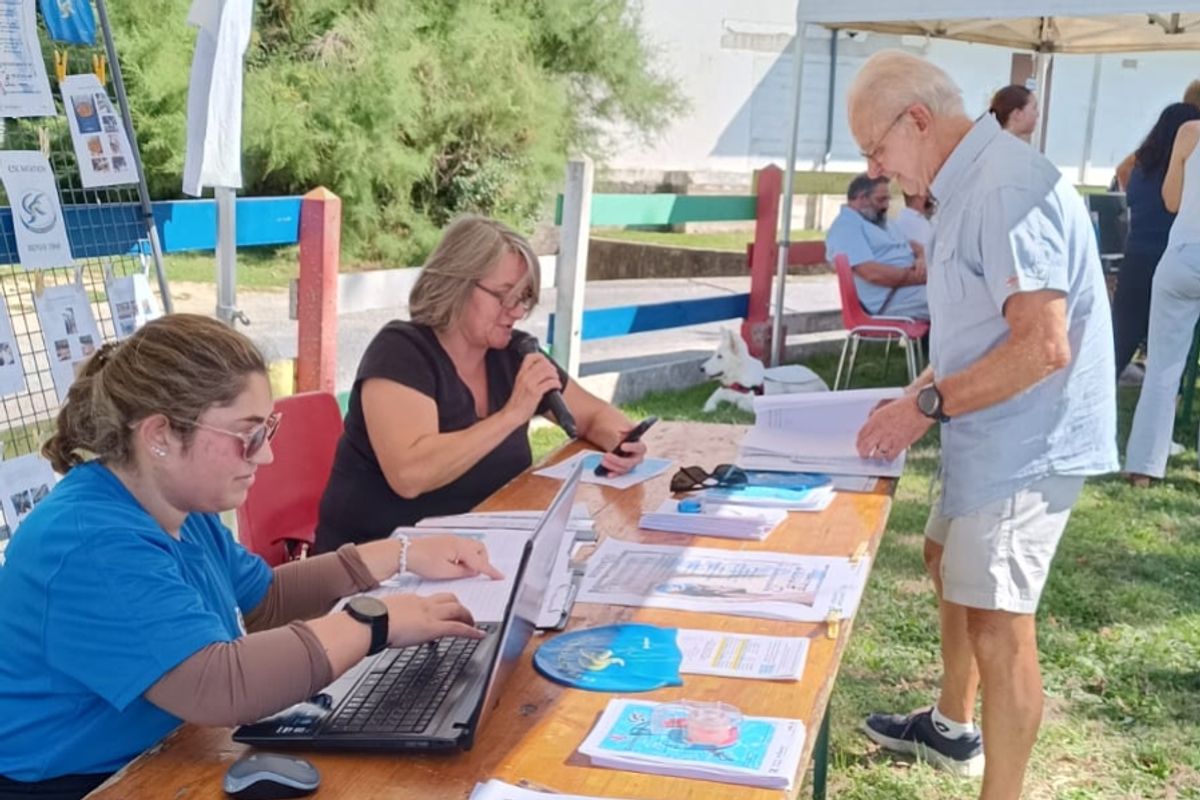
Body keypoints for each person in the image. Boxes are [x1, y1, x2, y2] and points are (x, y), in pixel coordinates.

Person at [0, 315, 501, 800]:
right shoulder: (93, 544)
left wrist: (402, 553)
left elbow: (264, 599)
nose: (265, 456)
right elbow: (220, 685)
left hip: (158, 755)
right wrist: (375, 622)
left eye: (268, 430)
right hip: (78, 785)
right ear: (159, 436)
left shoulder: (174, 505)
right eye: (248, 436)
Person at [849, 51, 1117, 800]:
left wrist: (925, 408)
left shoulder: (1001, 187)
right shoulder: (969, 182)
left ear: (919, 121)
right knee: (942, 560)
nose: (876, 169)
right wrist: (919, 391)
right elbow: (984, 329)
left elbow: (1041, 344)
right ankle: (951, 722)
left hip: (1027, 440)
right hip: (986, 422)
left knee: (1001, 625)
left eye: (876, 148)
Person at [315, 216, 647, 553]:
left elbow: (593, 415)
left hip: (477, 551)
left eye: (524, 298)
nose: (516, 311)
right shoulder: (401, 351)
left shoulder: (512, 353)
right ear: (456, 285)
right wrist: (512, 414)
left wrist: (622, 443)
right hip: (376, 564)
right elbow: (410, 475)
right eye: (504, 296)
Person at [1125, 117, 1200, 486]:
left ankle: (1144, 467)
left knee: (1163, 369)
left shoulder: (1189, 132)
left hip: (1183, 254)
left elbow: (1171, 201)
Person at [1111, 103, 1200, 379]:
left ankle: (1093, 392)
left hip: (1136, 257)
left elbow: (1122, 174)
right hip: (1171, 256)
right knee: (1168, 347)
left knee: (1121, 337)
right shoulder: (1180, 172)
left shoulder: (1140, 168)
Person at [824, 173, 930, 320]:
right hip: (891, 301)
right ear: (861, 199)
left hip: (912, 288)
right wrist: (923, 277)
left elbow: (911, 244)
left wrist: (922, 257)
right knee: (958, 299)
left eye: (887, 199)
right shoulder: (846, 227)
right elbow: (872, 273)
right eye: (881, 200)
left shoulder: (879, 220)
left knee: (965, 292)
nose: (886, 206)